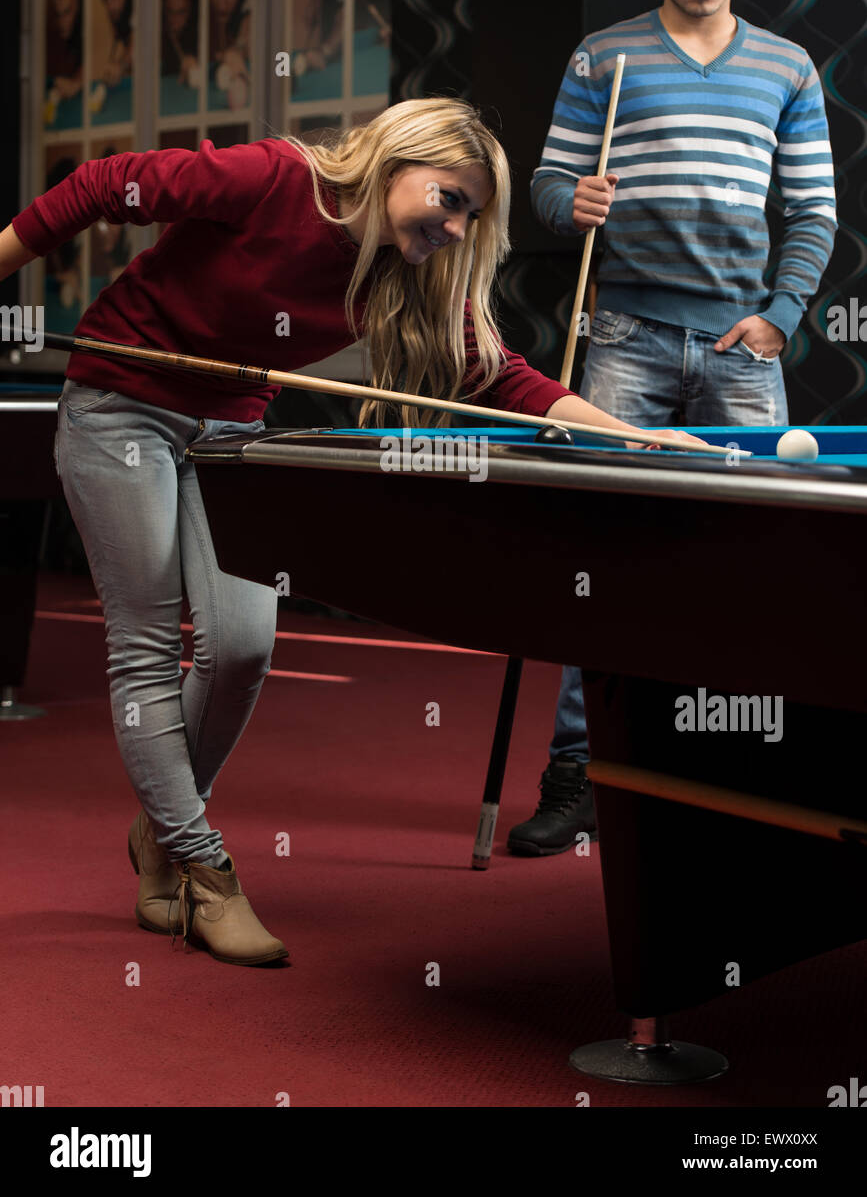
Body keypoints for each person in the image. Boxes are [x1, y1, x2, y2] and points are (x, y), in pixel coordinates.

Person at [0, 98, 698, 969]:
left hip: (228, 430)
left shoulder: (407, 273)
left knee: (244, 647)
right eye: (448, 198)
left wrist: (624, 434)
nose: (455, 225)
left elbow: (502, 374)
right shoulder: (272, 179)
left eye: (471, 214)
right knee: (144, 641)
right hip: (121, 406)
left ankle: (162, 831)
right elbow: (106, 183)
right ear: (396, 161)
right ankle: (204, 866)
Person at [509, 0, 837, 858]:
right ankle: (580, 773)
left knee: (762, 557)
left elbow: (814, 212)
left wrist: (780, 317)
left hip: (742, 348)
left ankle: (750, 770)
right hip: (625, 341)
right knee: (601, 562)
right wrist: (573, 204)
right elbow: (545, 182)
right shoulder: (603, 57)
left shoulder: (788, 66)